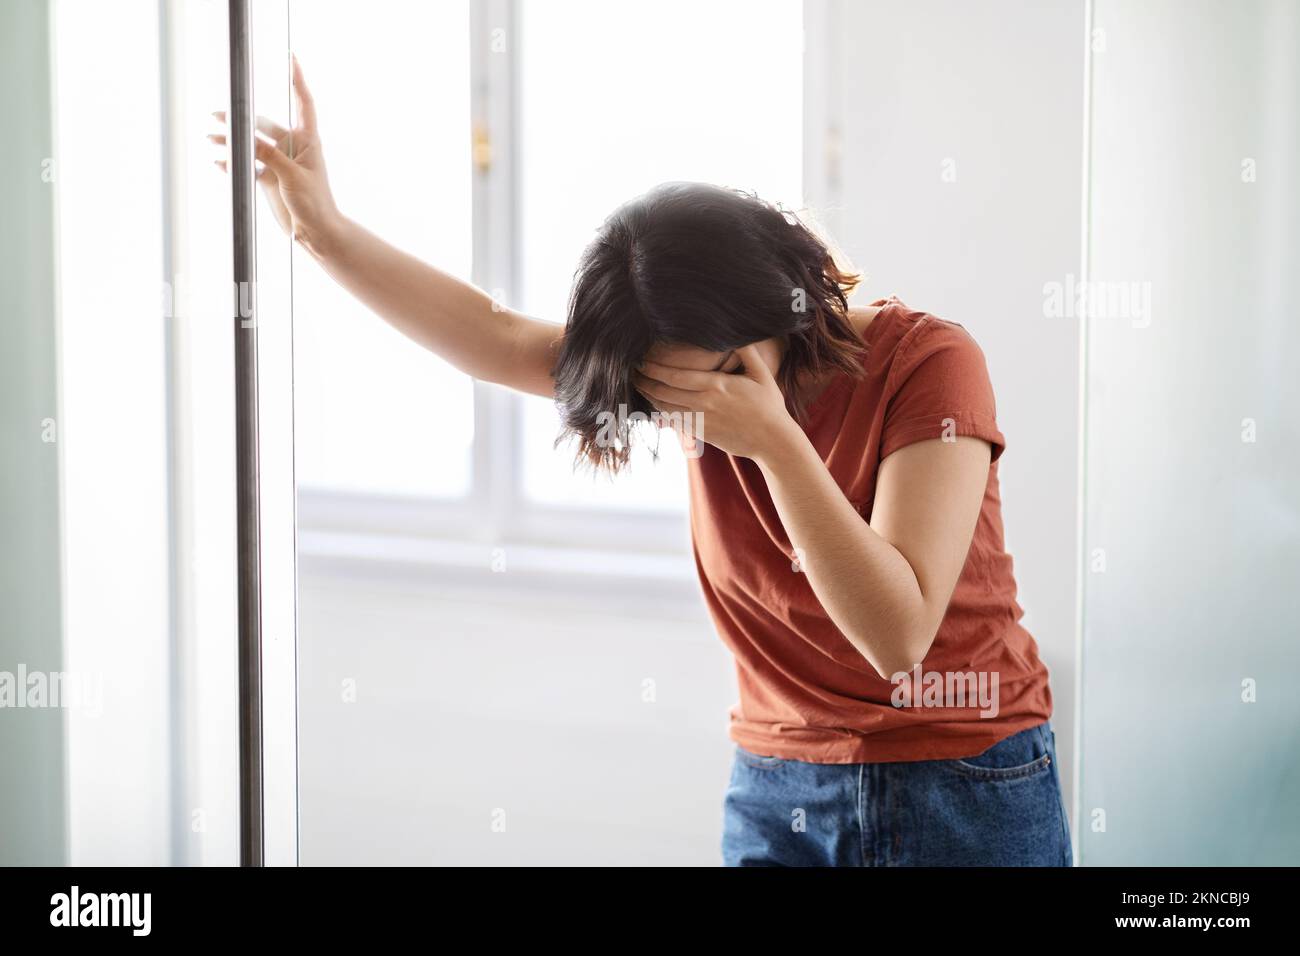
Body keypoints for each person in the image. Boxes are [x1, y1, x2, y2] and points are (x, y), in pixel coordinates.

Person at [213, 58, 1072, 867]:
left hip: (963, 771)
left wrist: (773, 441)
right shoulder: (670, 369)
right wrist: (321, 233)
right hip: (778, 779)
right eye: (665, 394)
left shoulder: (931, 362)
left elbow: (898, 637)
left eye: (709, 383)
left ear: (779, 314)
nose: (684, 412)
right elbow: (497, 336)